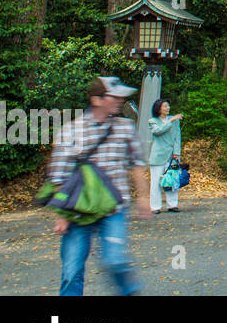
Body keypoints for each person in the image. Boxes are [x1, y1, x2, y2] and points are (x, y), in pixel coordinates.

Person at [46, 76, 152, 296]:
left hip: (114, 208)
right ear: (96, 100)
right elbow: (59, 174)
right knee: (72, 270)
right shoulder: (72, 130)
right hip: (79, 210)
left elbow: (137, 164)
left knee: (115, 260)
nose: (120, 100)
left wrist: (143, 197)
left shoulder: (125, 127)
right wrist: (62, 213)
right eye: (114, 96)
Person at [147, 98, 183, 214]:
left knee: (172, 179)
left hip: (171, 155)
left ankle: (172, 205)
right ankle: (155, 206)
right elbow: (157, 131)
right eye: (165, 106)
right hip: (158, 155)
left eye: (168, 106)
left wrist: (177, 152)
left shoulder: (175, 121)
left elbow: (177, 136)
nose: (168, 108)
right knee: (156, 181)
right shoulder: (153, 121)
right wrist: (170, 120)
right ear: (159, 108)